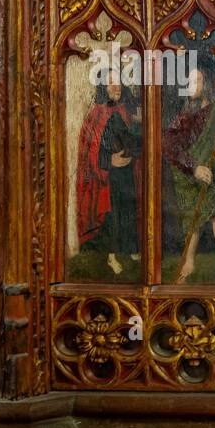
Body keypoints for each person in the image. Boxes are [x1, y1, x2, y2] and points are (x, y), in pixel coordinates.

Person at [165, 63, 215, 282]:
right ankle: (189, 260)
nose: (191, 85)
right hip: (191, 174)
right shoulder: (183, 116)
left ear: (206, 85)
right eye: (188, 82)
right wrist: (194, 167)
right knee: (193, 214)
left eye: (197, 81)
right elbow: (171, 147)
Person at [76, 71, 142, 277]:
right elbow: (89, 151)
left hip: (127, 172)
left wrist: (131, 152)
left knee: (128, 209)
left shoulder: (124, 111)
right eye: (111, 83)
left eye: (119, 82)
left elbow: (131, 139)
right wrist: (108, 161)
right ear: (103, 87)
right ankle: (111, 256)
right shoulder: (96, 114)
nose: (117, 87)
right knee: (112, 214)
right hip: (107, 177)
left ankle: (131, 249)